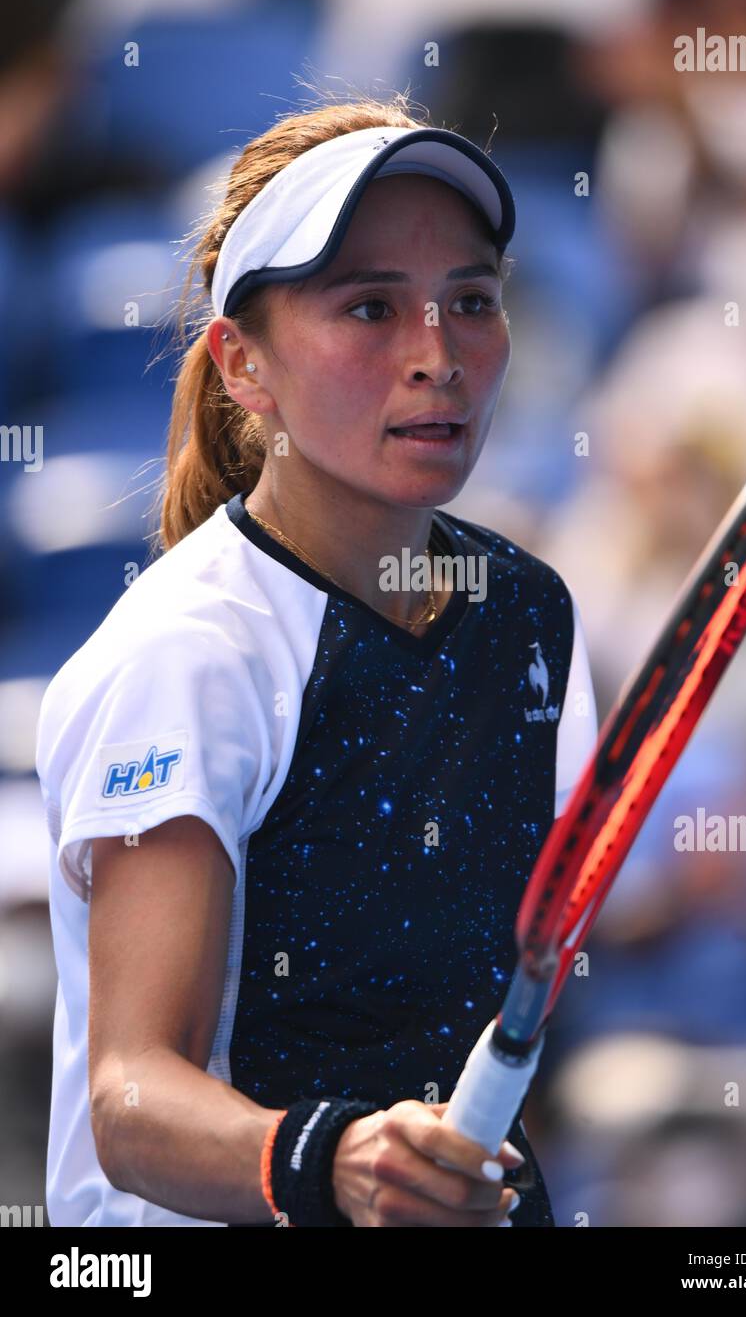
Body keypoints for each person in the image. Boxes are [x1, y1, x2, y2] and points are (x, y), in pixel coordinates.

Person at [35, 93, 597, 1226]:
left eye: (470, 301)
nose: (435, 356)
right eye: (369, 308)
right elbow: (132, 1099)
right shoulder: (189, 658)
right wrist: (332, 1159)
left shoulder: (528, 612)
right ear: (243, 364)